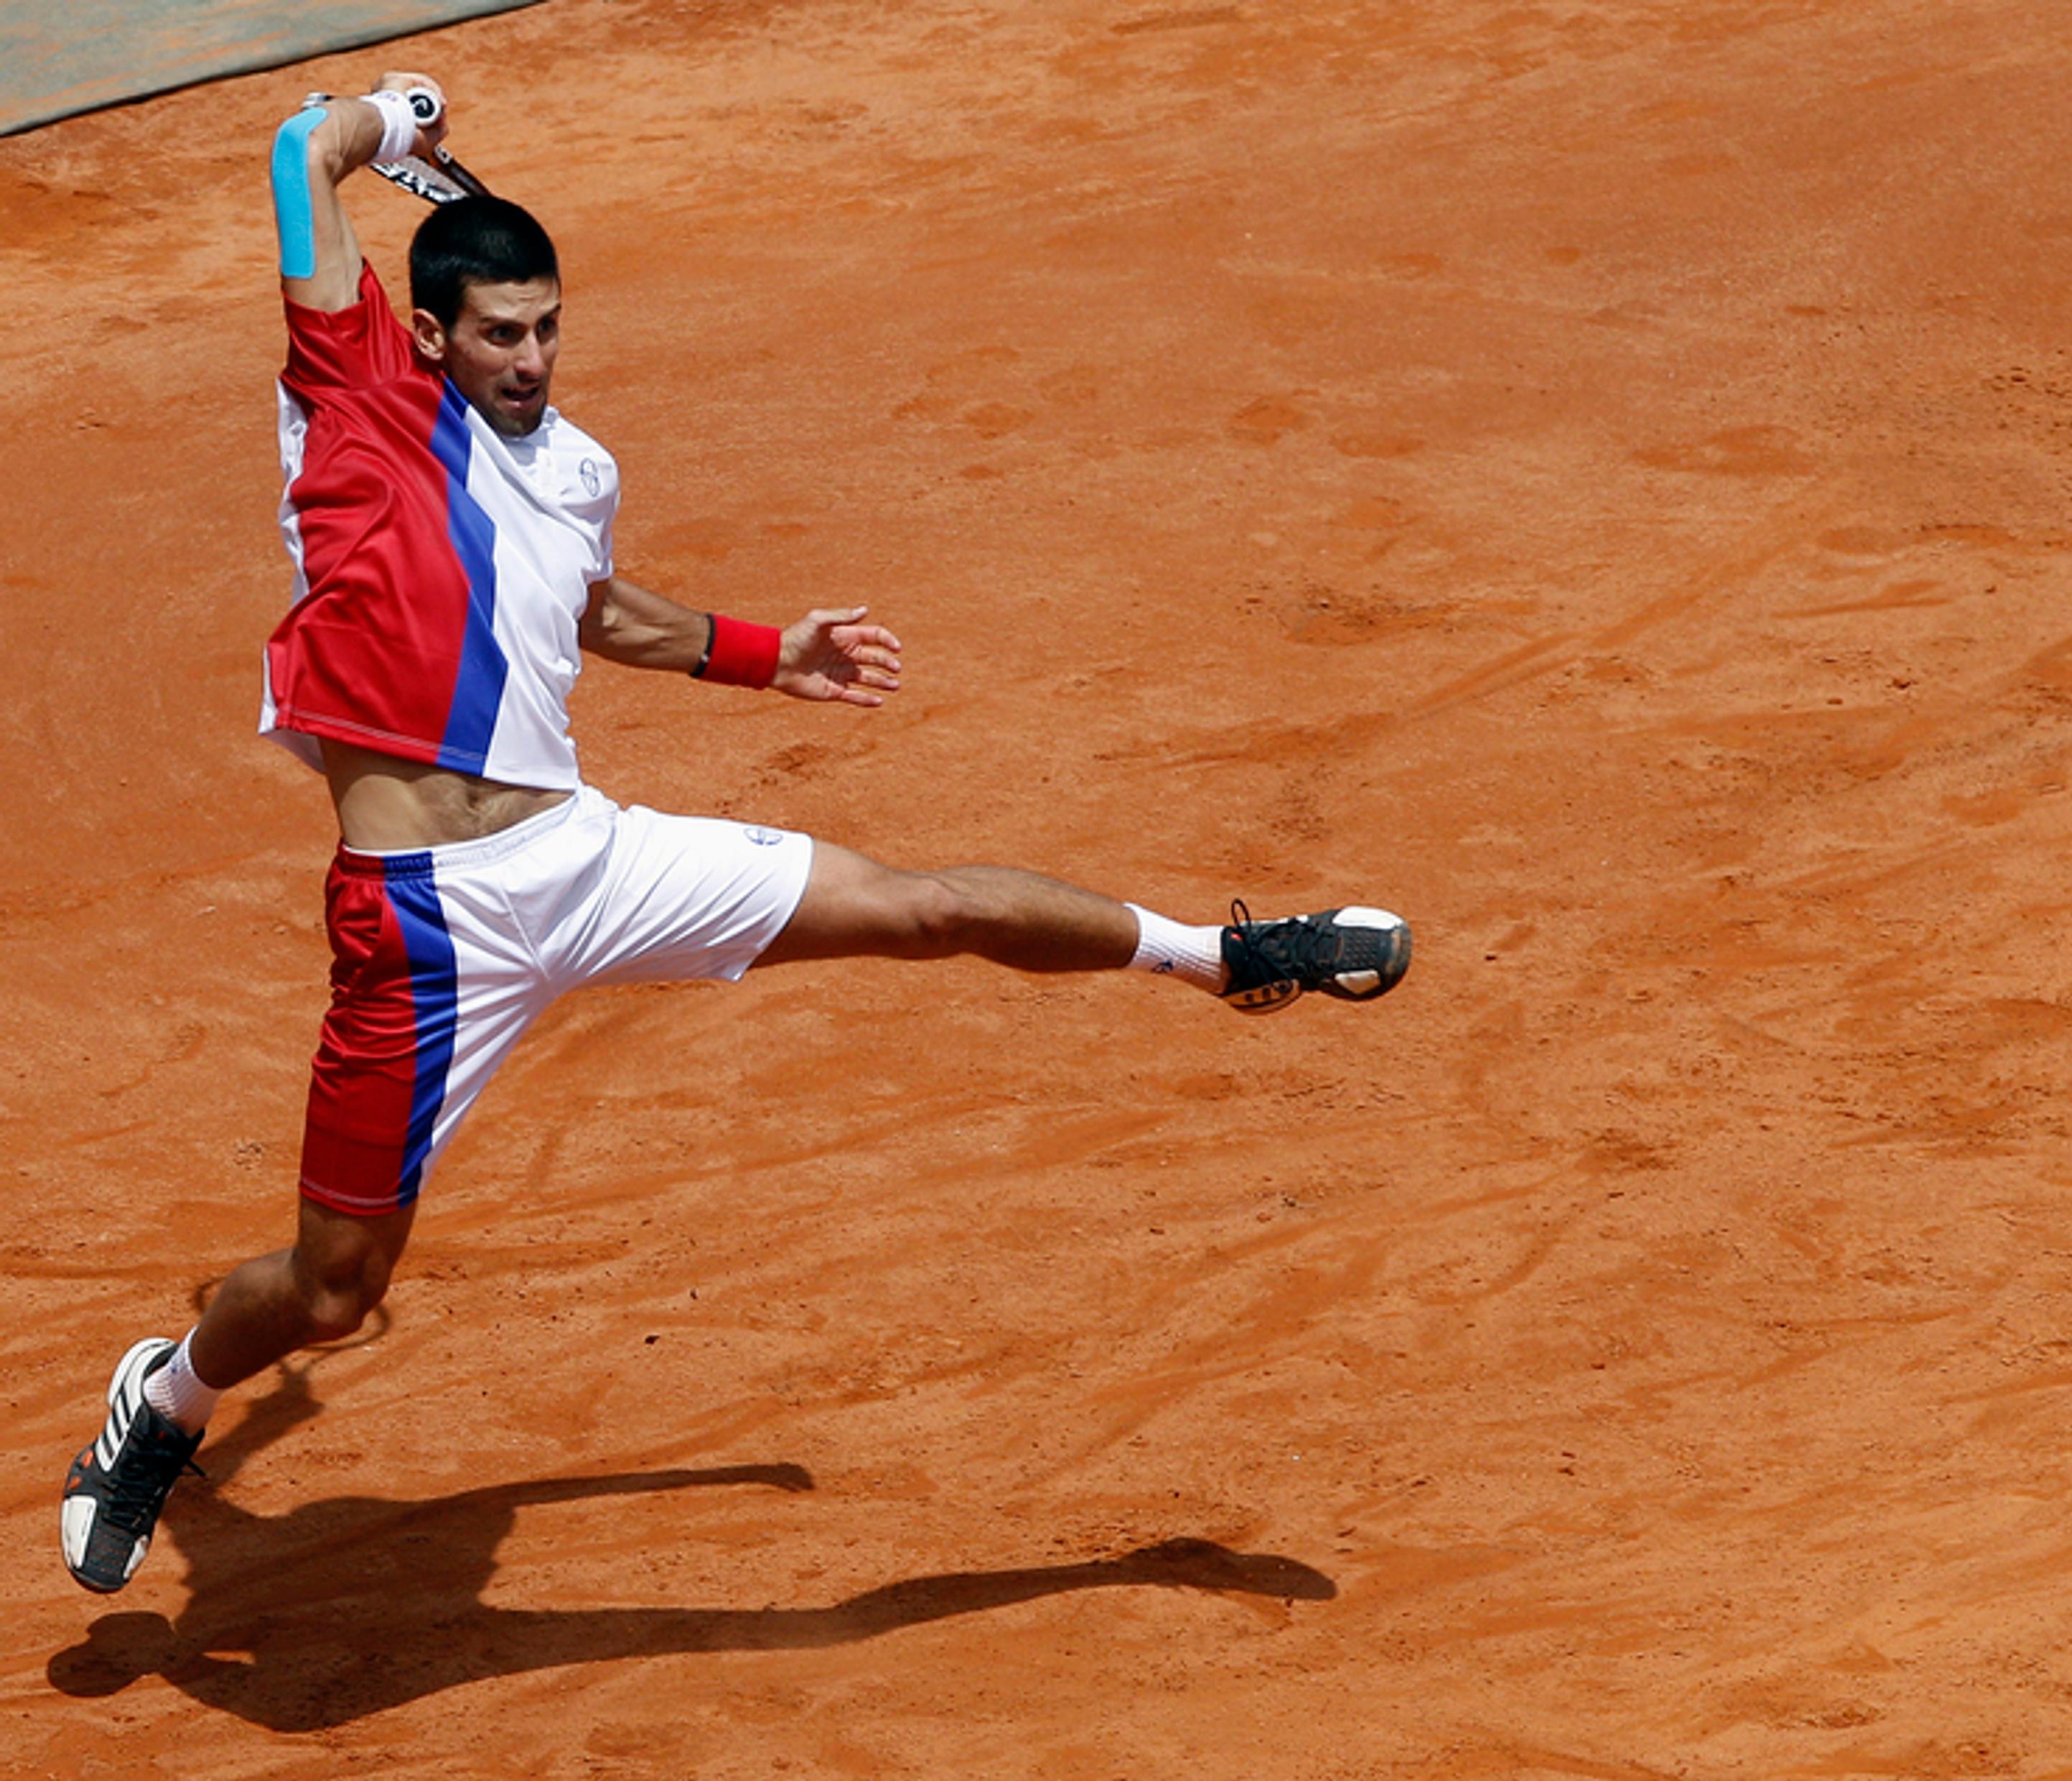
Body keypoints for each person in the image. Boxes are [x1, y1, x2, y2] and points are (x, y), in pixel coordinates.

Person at [60, 73, 1410, 1596]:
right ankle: (168, 1399)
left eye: (548, 327)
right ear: (427, 334)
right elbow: (302, 148)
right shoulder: (356, 396)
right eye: (500, 334)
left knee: (923, 907)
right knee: (332, 1292)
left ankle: (1221, 958)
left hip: (587, 862)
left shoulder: (573, 468)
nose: (531, 359)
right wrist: (396, 108)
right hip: (424, 928)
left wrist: (771, 655)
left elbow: (592, 609)